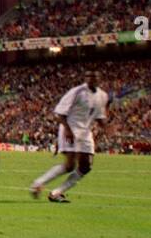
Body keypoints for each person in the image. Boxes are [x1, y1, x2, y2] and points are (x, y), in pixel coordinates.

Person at [29, 70, 108, 203]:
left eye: (94, 76)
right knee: (70, 165)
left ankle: (56, 192)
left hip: (86, 132)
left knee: (86, 166)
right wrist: (67, 130)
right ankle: (37, 184)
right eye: (88, 76)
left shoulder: (103, 96)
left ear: (99, 79)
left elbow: (100, 117)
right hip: (69, 128)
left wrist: (107, 127)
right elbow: (59, 113)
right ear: (85, 78)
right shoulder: (77, 92)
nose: (91, 78)